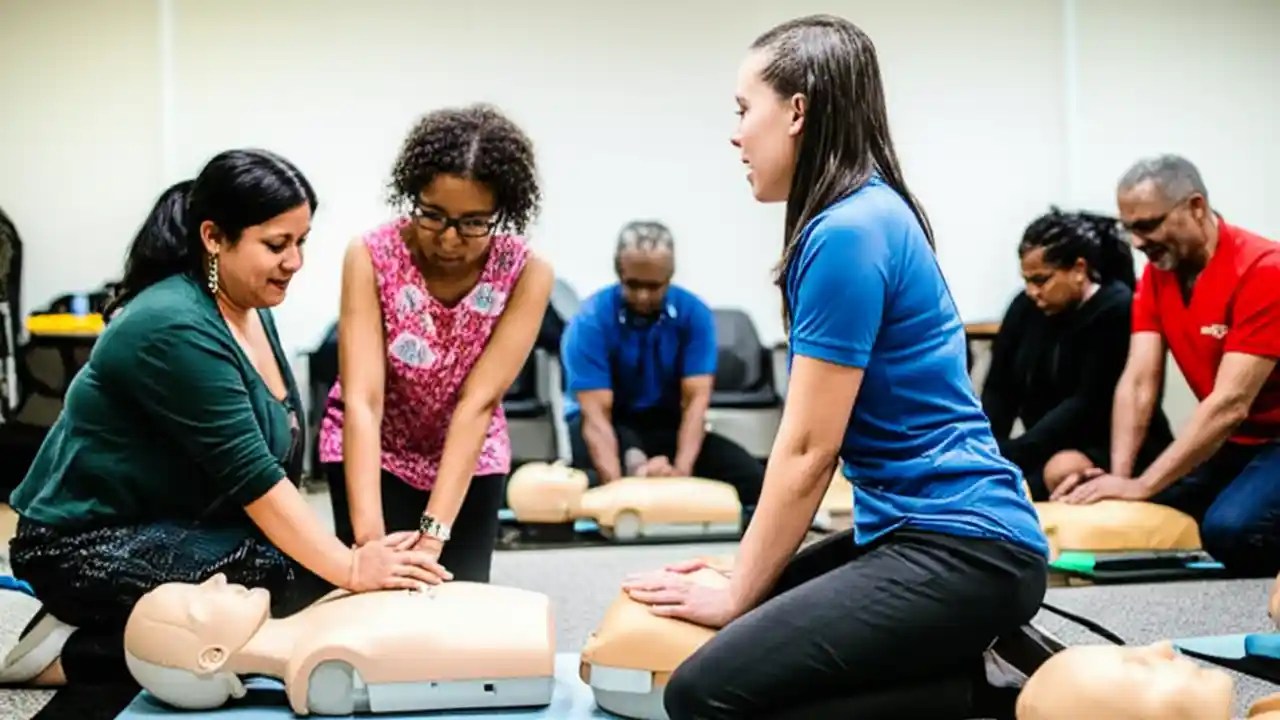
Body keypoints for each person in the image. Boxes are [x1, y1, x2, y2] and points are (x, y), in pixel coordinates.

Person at [620, 15, 1050, 720]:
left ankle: (984, 692)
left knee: (704, 696)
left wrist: (737, 593)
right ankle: (964, 667)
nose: (735, 133)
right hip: (931, 533)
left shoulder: (847, 232)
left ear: (796, 111)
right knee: (753, 619)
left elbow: (808, 450)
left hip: (967, 550)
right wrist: (747, 575)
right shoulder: (863, 211)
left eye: (742, 109)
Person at [0, 150, 447, 688]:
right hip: (79, 543)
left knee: (305, 581)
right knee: (279, 585)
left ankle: (128, 626)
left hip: (168, 520)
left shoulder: (249, 307)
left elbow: (275, 470)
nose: (295, 262)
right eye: (277, 245)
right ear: (214, 238)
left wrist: (350, 560)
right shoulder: (173, 325)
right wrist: (352, 568)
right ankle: (68, 653)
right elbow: (253, 477)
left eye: (301, 242)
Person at [317, 104, 553, 584]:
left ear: (502, 213)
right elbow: (364, 399)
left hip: (468, 454)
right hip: (372, 451)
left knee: (456, 605)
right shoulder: (371, 254)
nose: (449, 239)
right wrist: (369, 543)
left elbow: (478, 402)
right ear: (412, 195)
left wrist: (433, 534)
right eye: (433, 216)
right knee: (372, 606)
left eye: (472, 223)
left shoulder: (527, 272)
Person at [1053, 154, 1280, 578]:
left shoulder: (1264, 271)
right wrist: (1121, 482)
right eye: (1129, 228)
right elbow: (1138, 382)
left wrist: (1141, 485)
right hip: (1237, 445)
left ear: (1195, 207)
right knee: (1159, 504)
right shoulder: (1159, 276)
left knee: (1230, 529)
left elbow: (1230, 404)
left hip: (1273, 439)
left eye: (1148, 225)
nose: (1137, 242)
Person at [560, 220, 764, 519]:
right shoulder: (590, 320)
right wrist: (621, 493)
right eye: (634, 285)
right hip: (610, 423)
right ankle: (635, 468)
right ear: (620, 274)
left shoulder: (694, 314)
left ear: (670, 277)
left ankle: (652, 469)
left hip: (667, 423)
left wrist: (681, 475)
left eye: (654, 286)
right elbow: (596, 417)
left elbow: (695, 404)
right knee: (605, 471)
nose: (643, 296)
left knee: (754, 481)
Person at [982, 208, 1174, 500]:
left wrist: (1012, 454)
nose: (1033, 291)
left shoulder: (1116, 310)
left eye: (1042, 280)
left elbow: (1085, 405)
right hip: (1043, 447)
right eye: (1027, 280)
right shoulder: (1024, 308)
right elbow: (999, 389)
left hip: (1105, 449)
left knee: (1062, 468)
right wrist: (985, 449)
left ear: (1079, 270)